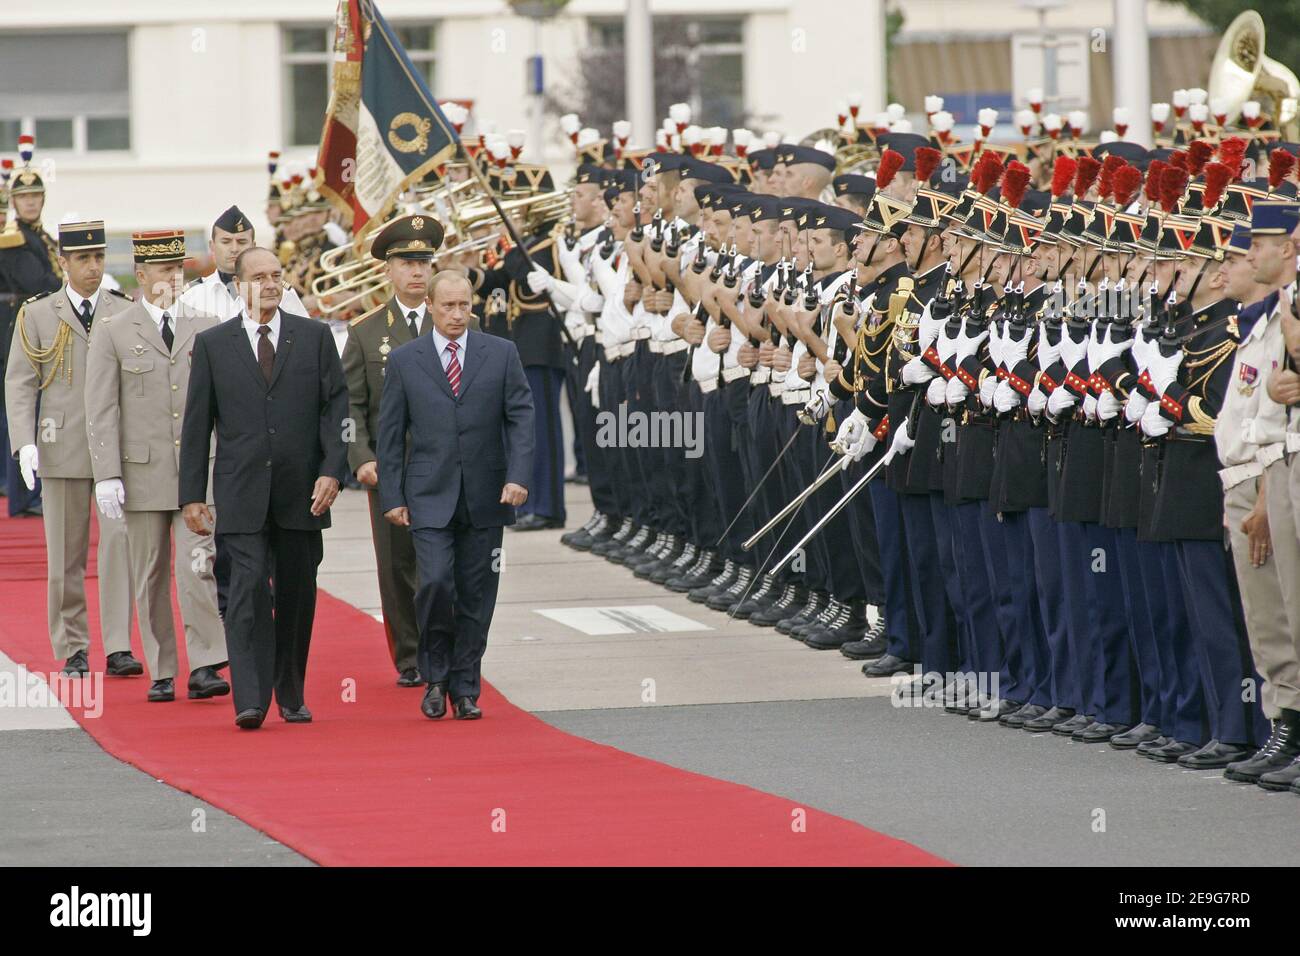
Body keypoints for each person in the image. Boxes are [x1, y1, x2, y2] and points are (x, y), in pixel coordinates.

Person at [178, 246, 347, 730]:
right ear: (238, 286)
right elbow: (197, 424)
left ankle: (290, 693)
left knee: (296, 594)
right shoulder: (214, 345)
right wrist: (192, 495)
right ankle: (251, 699)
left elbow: (337, 411)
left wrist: (333, 470)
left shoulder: (313, 338)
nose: (271, 284)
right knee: (247, 590)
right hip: (240, 492)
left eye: (277, 275)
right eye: (260, 277)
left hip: (303, 494)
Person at [376, 270, 534, 720]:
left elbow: (521, 417)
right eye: (448, 306)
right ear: (429, 306)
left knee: (477, 593)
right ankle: (435, 676)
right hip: (428, 495)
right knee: (436, 584)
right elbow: (389, 434)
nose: (458, 314)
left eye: (465, 305)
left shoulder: (501, 354)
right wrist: (392, 496)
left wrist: (519, 475)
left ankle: (465, 688)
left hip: (487, 495)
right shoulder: (407, 361)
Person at [84, 229, 229, 703]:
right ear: (141, 275)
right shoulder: (114, 330)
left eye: (177, 269)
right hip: (140, 471)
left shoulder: (206, 326)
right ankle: (162, 669)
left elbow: (224, 403)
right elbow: (101, 407)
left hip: (196, 471)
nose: (172, 278)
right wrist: (106, 472)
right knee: (150, 573)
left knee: (197, 566)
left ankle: (206, 663)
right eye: (162, 270)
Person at [4, 220, 138, 677]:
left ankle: (119, 644)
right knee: (65, 553)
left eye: (98, 257)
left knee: (119, 545)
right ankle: (73, 645)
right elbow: (20, 383)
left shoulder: (124, 310)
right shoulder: (38, 313)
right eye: (82, 259)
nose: (93, 267)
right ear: (63, 263)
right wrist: (24, 443)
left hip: (114, 447)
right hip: (60, 443)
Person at [341, 213, 444, 688]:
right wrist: (360, 456)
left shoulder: (459, 321)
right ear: (388, 269)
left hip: (446, 466)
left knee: (443, 562)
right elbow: (350, 406)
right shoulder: (365, 332)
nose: (417, 271)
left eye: (424, 261)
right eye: (406, 262)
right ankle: (409, 655)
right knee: (397, 563)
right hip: (391, 467)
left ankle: (444, 647)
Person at [0, 139, 63, 517]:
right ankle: (23, 492)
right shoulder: (15, 238)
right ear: (15, 201)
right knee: (21, 413)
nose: (31, 203)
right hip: (19, 333)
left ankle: (24, 489)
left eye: (36, 196)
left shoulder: (38, 235)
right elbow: (39, 282)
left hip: (32, 331)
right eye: (24, 198)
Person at [179, 205, 307, 321]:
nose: (234, 249)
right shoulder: (192, 296)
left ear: (253, 246)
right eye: (226, 242)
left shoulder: (280, 292)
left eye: (241, 242)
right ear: (212, 246)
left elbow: (303, 334)